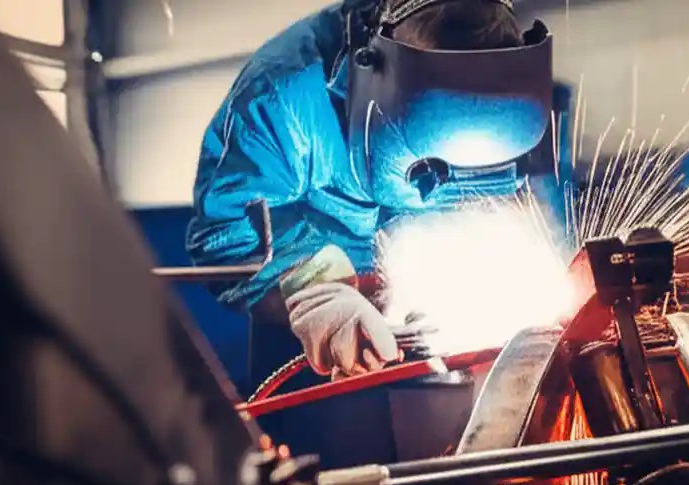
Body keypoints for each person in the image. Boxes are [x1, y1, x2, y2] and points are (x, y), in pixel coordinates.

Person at [186, 0, 556, 383]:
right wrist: (317, 296)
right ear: (375, 65)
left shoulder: (515, 87)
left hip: (449, 340)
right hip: (317, 346)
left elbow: (531, 207)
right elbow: (226, 238)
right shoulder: (284, 95)